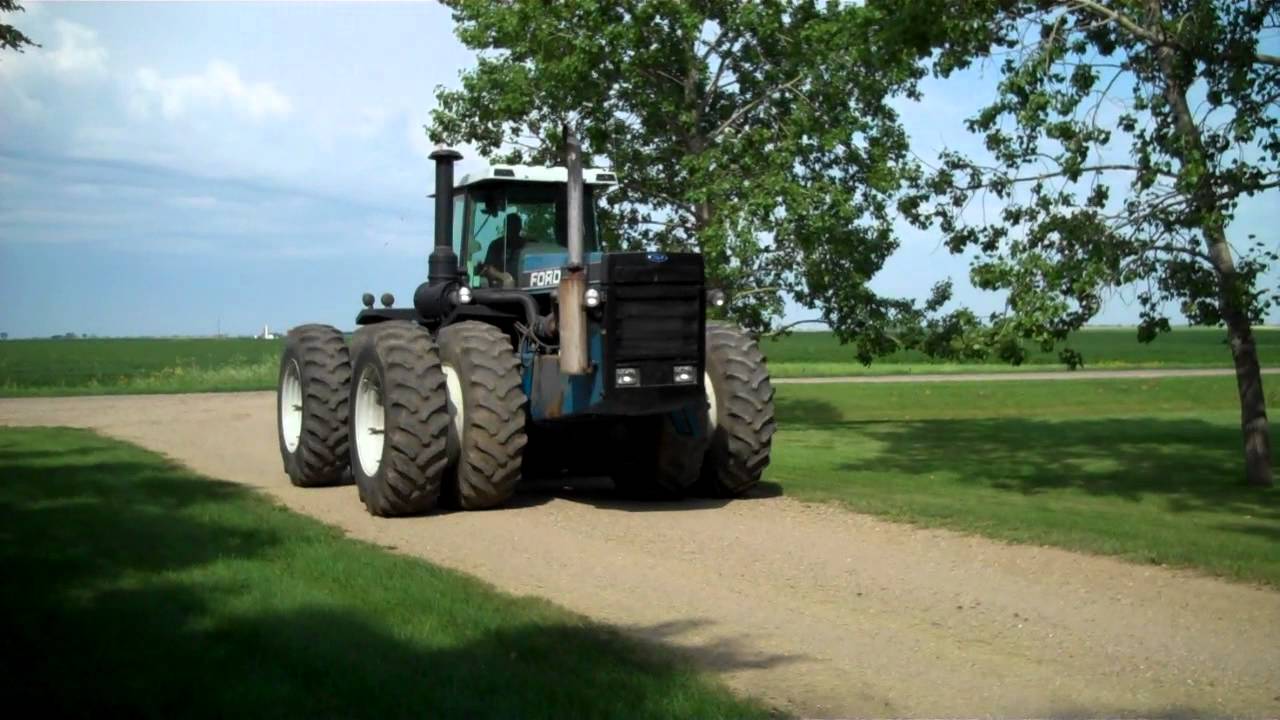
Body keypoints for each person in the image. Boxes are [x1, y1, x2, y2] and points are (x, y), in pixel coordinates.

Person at [478, 214, 526, 287]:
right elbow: (488, 269)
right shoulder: (497, 245)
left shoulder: (527, 245)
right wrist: (501, 276)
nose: (512, 228)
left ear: (520, 227)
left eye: (515, 225)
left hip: (526, 287)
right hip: (501, 291)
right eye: (510, 225)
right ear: (505, 227)